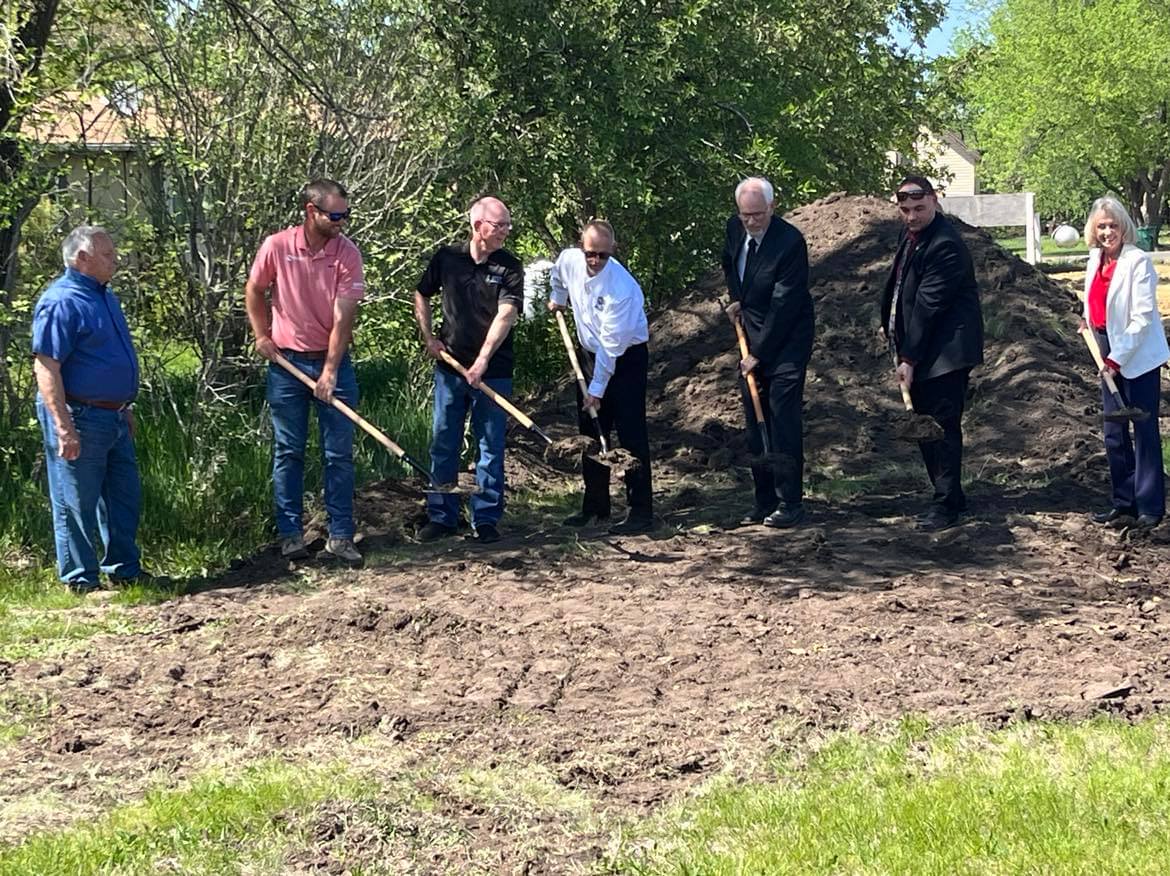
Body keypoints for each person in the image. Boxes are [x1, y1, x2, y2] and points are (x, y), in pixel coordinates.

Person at [245, 179, 365, 564]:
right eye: (335, 215)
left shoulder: (347, 254)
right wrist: (261, 335)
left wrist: (329, 372)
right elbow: (255, 289)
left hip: (332, 360)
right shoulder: (277, 246)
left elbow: (343, 318)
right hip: (286, 364)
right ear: (311, 212)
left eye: (346, 215)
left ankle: (342, 535)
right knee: (288, 451)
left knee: (338, 453)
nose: (342, 222)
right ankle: (291, 536)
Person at [31, 226, 143, 593]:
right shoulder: (62, 301)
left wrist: (123, 406)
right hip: (80, 415)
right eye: (108, 255)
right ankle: (80, 581)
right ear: (82, 258)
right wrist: (63, 426)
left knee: (123, 496)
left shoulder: (105, 297)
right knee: (76, 501)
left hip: (113, 415)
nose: (116, 261)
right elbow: (47, 366)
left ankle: (125, 570)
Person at [414, 196, 524, 545]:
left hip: (493, 370)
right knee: (444, 442)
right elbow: (421, 294)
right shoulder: (448, 259)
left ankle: (486, 518)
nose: (506, 231)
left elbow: (506, 315)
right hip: (450, 369)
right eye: (499, 225)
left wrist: (483, 361)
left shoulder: (510, 266)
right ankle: (442, 516)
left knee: (490, 445)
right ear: (479, 227)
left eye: (508, 224)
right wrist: (429, 336)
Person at [880, 175, 984, 532]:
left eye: (919, 208)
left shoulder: (945, 244)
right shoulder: (911, 237)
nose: (911, 215)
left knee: (939, 429)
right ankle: (951, 495)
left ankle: (944, 506)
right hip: (922, 351)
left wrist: (908, 358)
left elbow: (928, 305)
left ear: (935, 201)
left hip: (944, 354)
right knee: (928, 428)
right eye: (905, 209)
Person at [548, 220, 653, 534]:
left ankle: (640, 511)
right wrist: (558, 298)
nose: (594, 261)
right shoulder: (570, 260)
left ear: (613, 252)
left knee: (630, 432)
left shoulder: (622, 289)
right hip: (589, 355)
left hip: (625, 358)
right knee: (590, 432)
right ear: (581, 248)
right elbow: (557, 274)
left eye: (602, 256)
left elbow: (612, 347)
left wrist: (596, 390)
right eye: (589, 253)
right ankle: (595, 506)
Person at [722, 176, 815, 528]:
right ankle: (763, 500)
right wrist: (737, 299)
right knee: (753, 419)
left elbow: (785, 303)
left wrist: (758, 354)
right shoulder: (734, 229)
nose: (750, 222)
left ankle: (790, 501)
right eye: (745, 215)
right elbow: (730, 262)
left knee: (781, 417)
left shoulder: (789, 243)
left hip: (787, 341)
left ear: (772, 208)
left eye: (758, 215)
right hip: (752, 334)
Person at [1082, 195, 1168, 529]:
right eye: (1101, 226)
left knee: (1143, 429)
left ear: (1124, 227)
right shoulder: (1094, 258)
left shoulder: (1137, 261)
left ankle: (1150, 506)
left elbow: (1143, 317)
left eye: (1113, 225)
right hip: (1105, 346)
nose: (1107, 232)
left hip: (1138, 353)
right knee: (1113, 431)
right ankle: (1124, 502)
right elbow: (1095, 300)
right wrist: (1087, 321)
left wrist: (1117, 359)